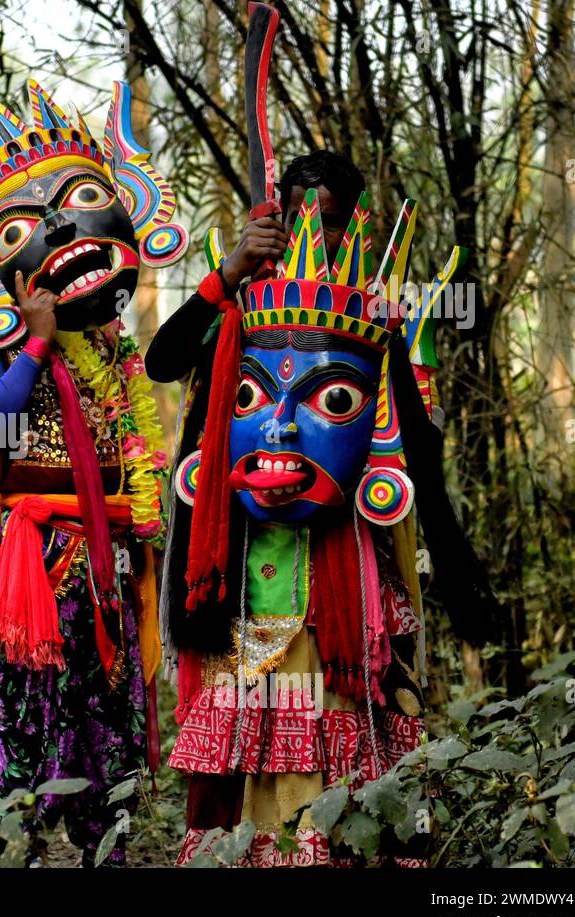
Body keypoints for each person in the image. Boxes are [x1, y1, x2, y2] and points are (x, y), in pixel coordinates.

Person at [150, 149, 505, 865]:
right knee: (246, 734)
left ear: (355, 231)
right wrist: (227, 276)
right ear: (273, 221)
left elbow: (414, 459)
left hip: (346, 579)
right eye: (299, 217)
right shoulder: (239, 310)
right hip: (245, 566)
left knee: (342, 721)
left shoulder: (376, 324)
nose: (317, 233)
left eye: (334, 222)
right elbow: (162, 360)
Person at [0, 80, 189, 865]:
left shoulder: (112, 343)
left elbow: (139, 442)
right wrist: (32, 345)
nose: (63, 225)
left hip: (107, 561)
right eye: (25, 226)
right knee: (26, 724)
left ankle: (108, 844)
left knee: (110, 724)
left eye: (80, 198)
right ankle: (14, 847)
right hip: (30, 572)